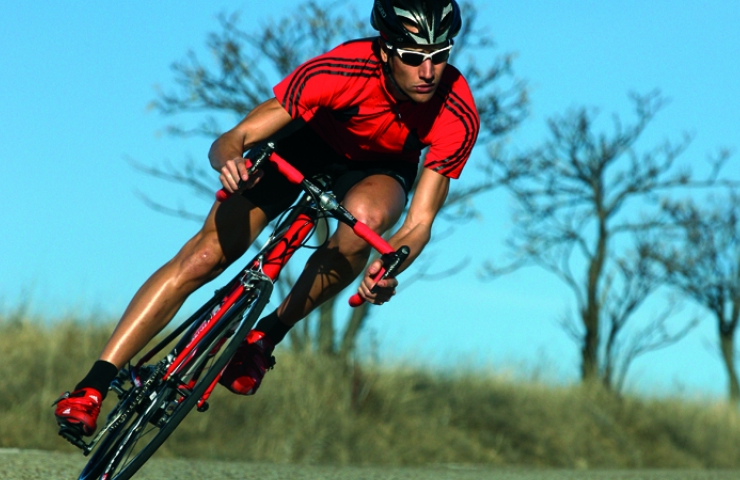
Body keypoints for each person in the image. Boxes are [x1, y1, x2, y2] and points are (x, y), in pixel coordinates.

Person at [54, 0, 479, 437]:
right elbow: (232, 138)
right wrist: (231, 162)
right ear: (386, 50)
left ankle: (265, 336)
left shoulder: (456, 110)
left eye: (440, 56)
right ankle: (92, 385)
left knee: (366, 220)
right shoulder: (340, 70)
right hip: (305, 143)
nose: (428, 71)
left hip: (381, 169)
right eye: (412, 56)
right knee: (203, 257)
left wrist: (389, 268)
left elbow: (419, 223)